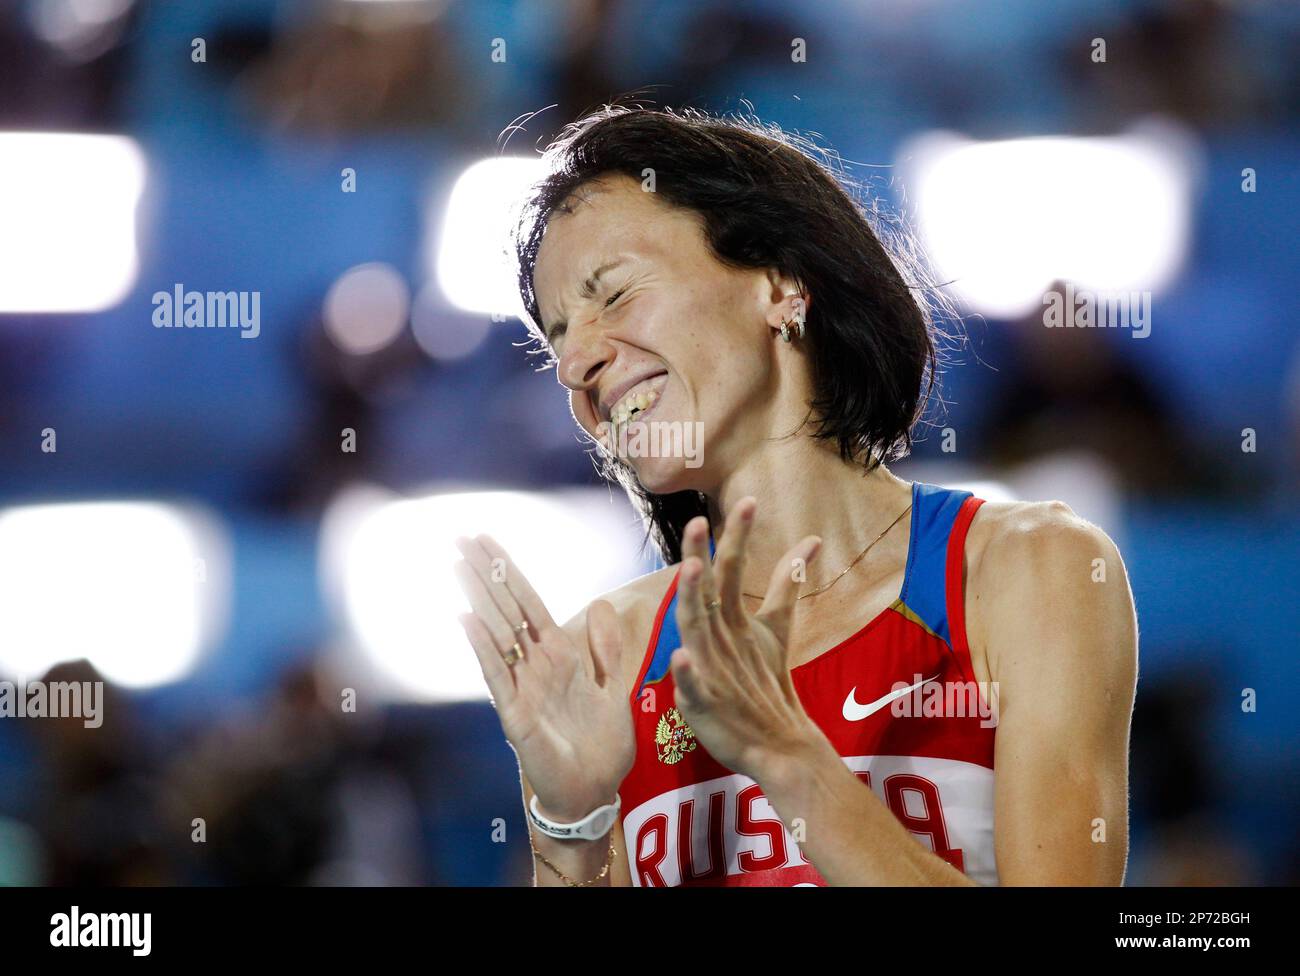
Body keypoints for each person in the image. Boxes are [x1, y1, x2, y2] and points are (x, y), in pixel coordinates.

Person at [453, 106, 1138, 886]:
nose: (576, 362)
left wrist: (787, 757)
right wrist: (573, 827)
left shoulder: (1030, 571)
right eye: (558, 335)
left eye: (612, 296)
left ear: (781, 286)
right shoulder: (603, 653)